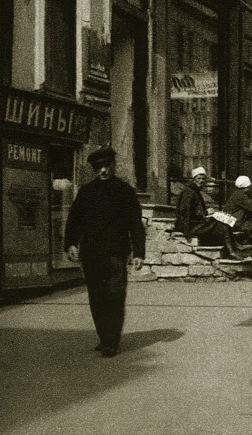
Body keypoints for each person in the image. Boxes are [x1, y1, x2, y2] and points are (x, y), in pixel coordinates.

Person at [63, 147, 145, 358]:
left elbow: (135, 224)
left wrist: (139, 253)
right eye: (98, 168)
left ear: (113, 166)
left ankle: (112, 341)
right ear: (93, 169)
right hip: (91, 252)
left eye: (107, 166)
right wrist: (71, 243)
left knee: (115, 295)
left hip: (117, 253)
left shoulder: (125, 191)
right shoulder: (86, 192)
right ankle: (104, 336)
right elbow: (74, 220)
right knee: (96, 296)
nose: (103, 171)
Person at [174, 166, 210, 241]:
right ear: (194, 180)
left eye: (203, 179)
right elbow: (185, 211)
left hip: (195, 223)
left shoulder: (195, 191)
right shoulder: (189, 192)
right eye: (199, 178)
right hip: (192, 225)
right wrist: (206, 212)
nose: (201, 181)